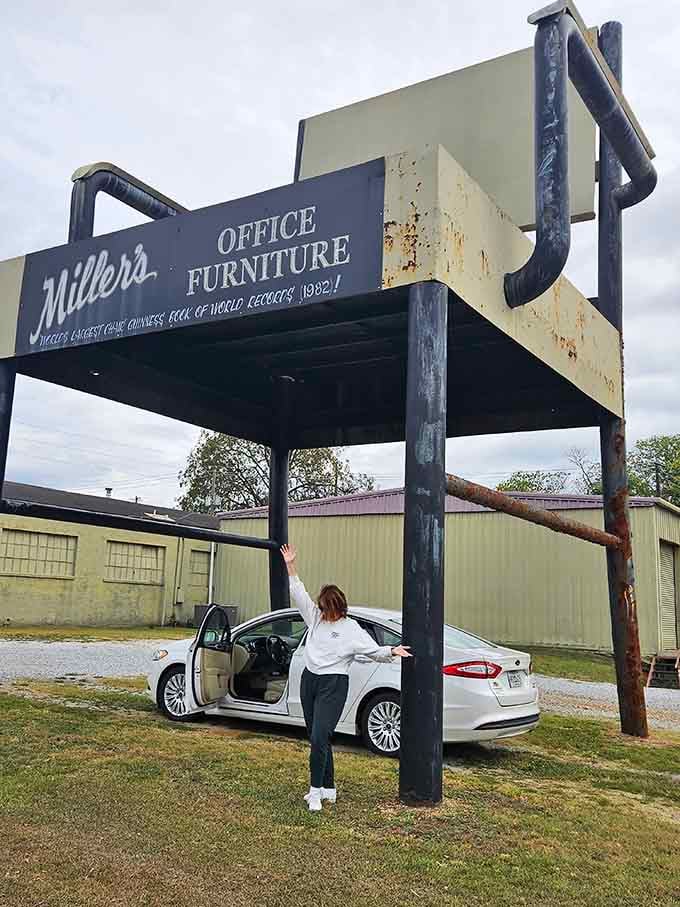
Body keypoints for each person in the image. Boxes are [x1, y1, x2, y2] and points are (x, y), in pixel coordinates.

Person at [280, 543, 412, 812]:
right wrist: (290, 563)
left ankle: (314, 793)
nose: (327, 614)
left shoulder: (351, 628)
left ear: (339, 607)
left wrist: (392, 650)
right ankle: (329, 789)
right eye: (323, 608)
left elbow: (372, 650)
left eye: (330, 610)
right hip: (310, 681)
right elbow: (298, 592)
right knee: (317, 737)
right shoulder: (315, 618)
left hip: (334, 685)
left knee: (319, 737)